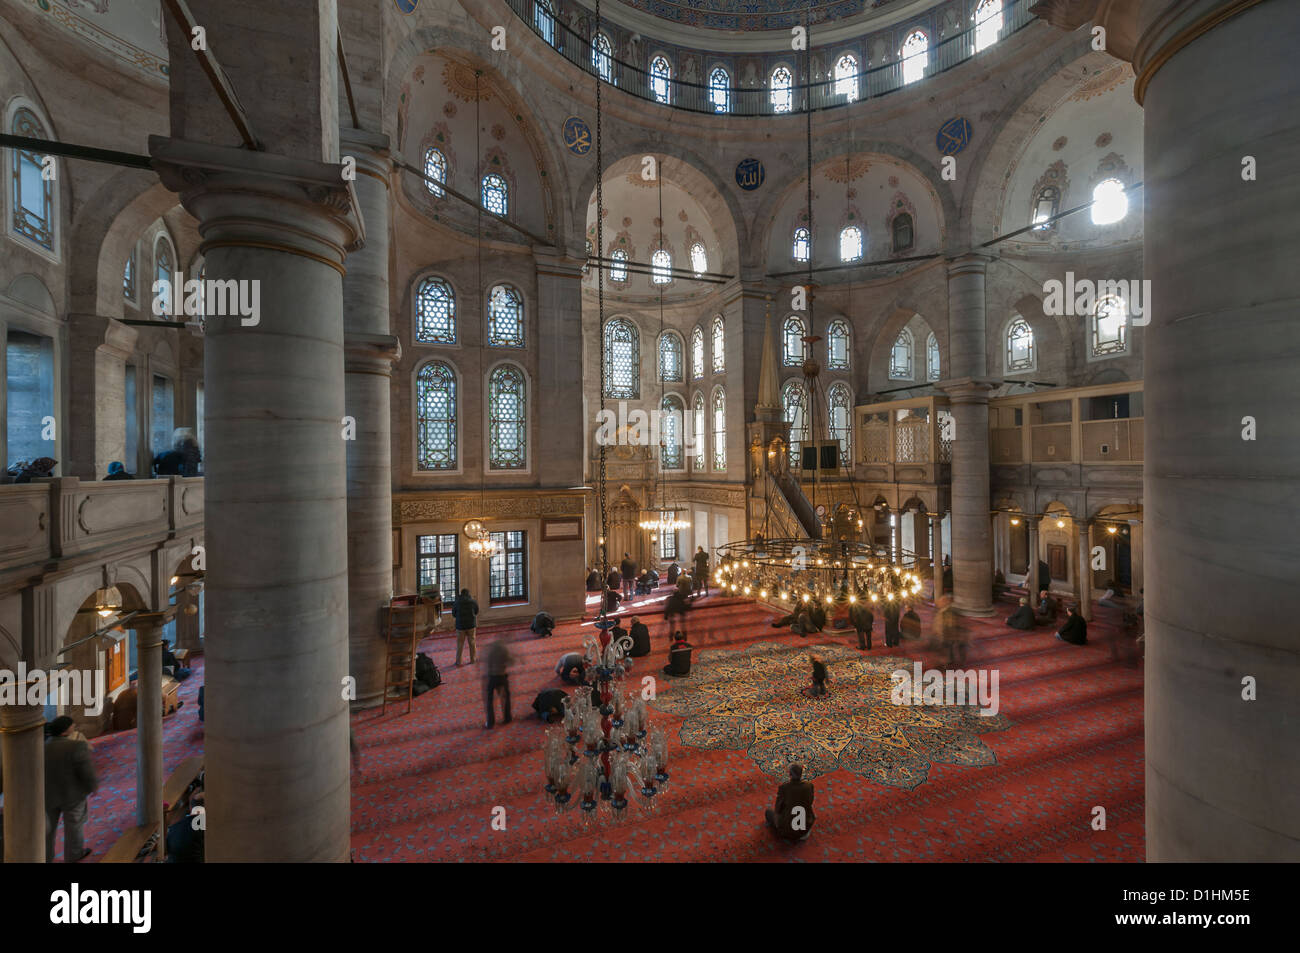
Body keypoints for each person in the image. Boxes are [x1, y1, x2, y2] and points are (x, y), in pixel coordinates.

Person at [44, 715, 97, 863]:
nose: (74, 727)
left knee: (48, 831)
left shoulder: (43, 747)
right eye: (72, 726)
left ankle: (46, 857)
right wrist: (92, 786)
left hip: (49, 795)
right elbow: (86, 770)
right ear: (65, 731)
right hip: (72, 795)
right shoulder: (76, 746)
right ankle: (74, 855)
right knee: (74, 827)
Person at [764, 763, 816, 842]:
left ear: (790, 774)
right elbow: (810, 802)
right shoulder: (809, 786)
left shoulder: (785, 788)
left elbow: (778, 808)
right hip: (805, 828)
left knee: (768, 813)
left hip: (787, 830)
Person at [483, 634, 515, 728]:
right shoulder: (504, 650)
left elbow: (487, 665)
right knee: (505, 698)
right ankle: (507, 718)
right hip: (502, 677)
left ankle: (490, 722)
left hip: (492, 677)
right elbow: (511, 662)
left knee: (489, 700)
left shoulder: (490, 650)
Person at [453, 588, 479, 666]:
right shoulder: (473, 601)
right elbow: (476, 611)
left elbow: (454, 614)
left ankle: (458, 661)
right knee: (472, 643)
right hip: (471, 625)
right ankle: (473, 660)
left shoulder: (457, 602)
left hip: (460, 626)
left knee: (460, 644)